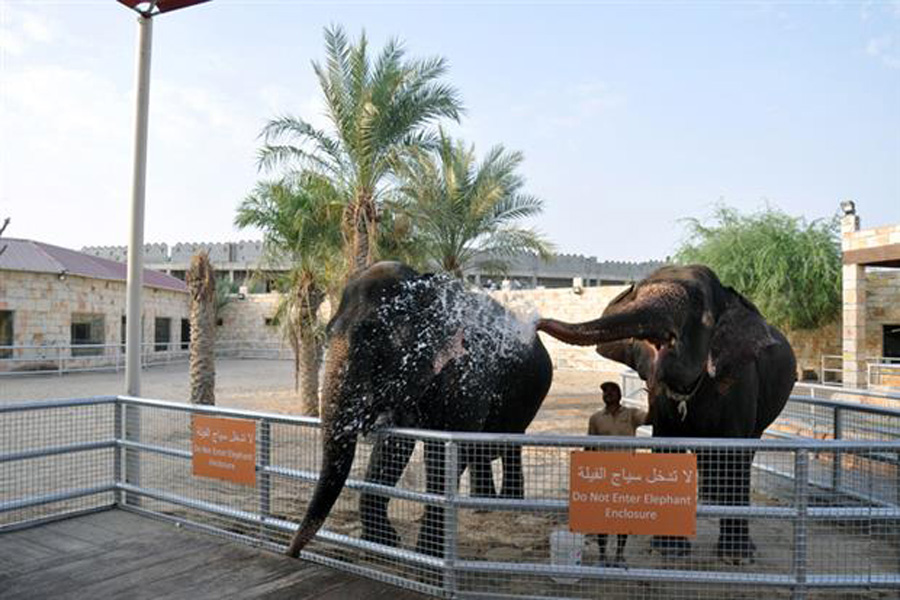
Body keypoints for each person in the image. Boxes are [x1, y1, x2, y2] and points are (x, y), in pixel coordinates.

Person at [586, 381, 648, 566]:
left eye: (612, 391)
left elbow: (650, 419)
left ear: (620, 395)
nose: (608, 394)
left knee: (623, 517)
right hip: (604, 475)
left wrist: (653, 396)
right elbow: (589, 447)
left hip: (627, 474)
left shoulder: (631, 414)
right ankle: (602, 555)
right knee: (603, 519)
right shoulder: (596, 418)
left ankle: (620, 554)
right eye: (605, 391)